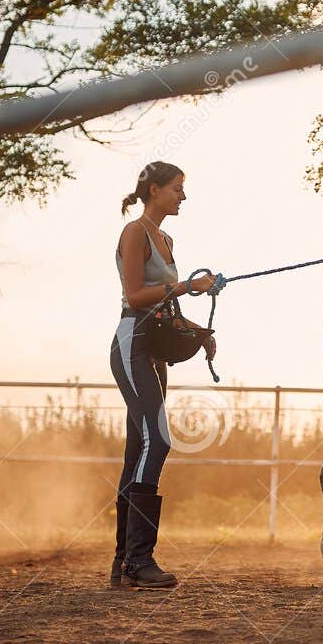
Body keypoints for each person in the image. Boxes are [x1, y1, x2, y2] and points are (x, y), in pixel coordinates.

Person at [110, 161, 217, 589]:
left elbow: (167, 307)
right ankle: (139, 560)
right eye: (177, 189)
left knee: (139, 448)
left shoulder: (166, 238)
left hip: (153, 349)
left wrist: (199, 331)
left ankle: (124, 562)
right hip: (132, 343)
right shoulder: (135, 232)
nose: (183, 197)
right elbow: (136, 295)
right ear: (154, 190)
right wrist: (187, 288)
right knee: (159, 440)